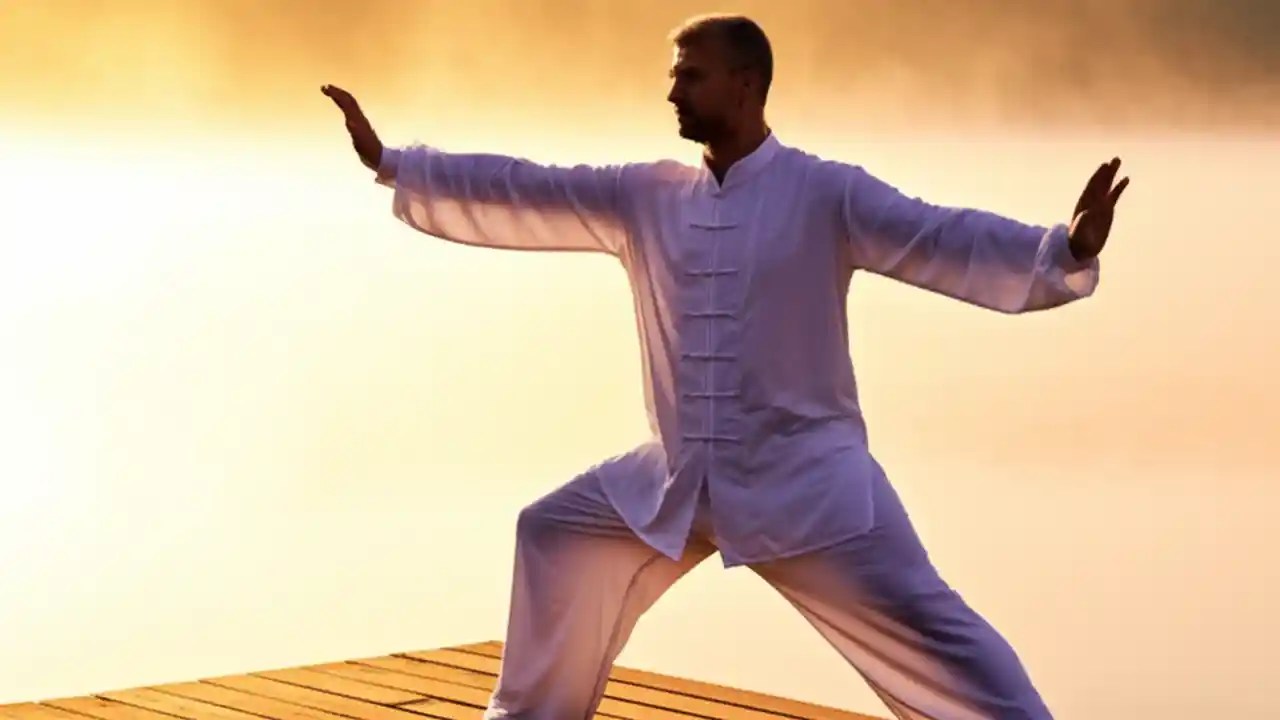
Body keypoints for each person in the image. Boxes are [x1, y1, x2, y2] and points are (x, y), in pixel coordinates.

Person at [322, 12, 1127, 720]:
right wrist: (395, 163)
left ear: (746, 85)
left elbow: (936, 235)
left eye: (689, 77)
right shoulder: (649, 195)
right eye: (673, 77)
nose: (672, 93)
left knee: (936, 628)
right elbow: (530, 187)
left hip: (809, 487)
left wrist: (1061, 250)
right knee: (554, 534)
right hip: (678, 480)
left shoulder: (824, 192)